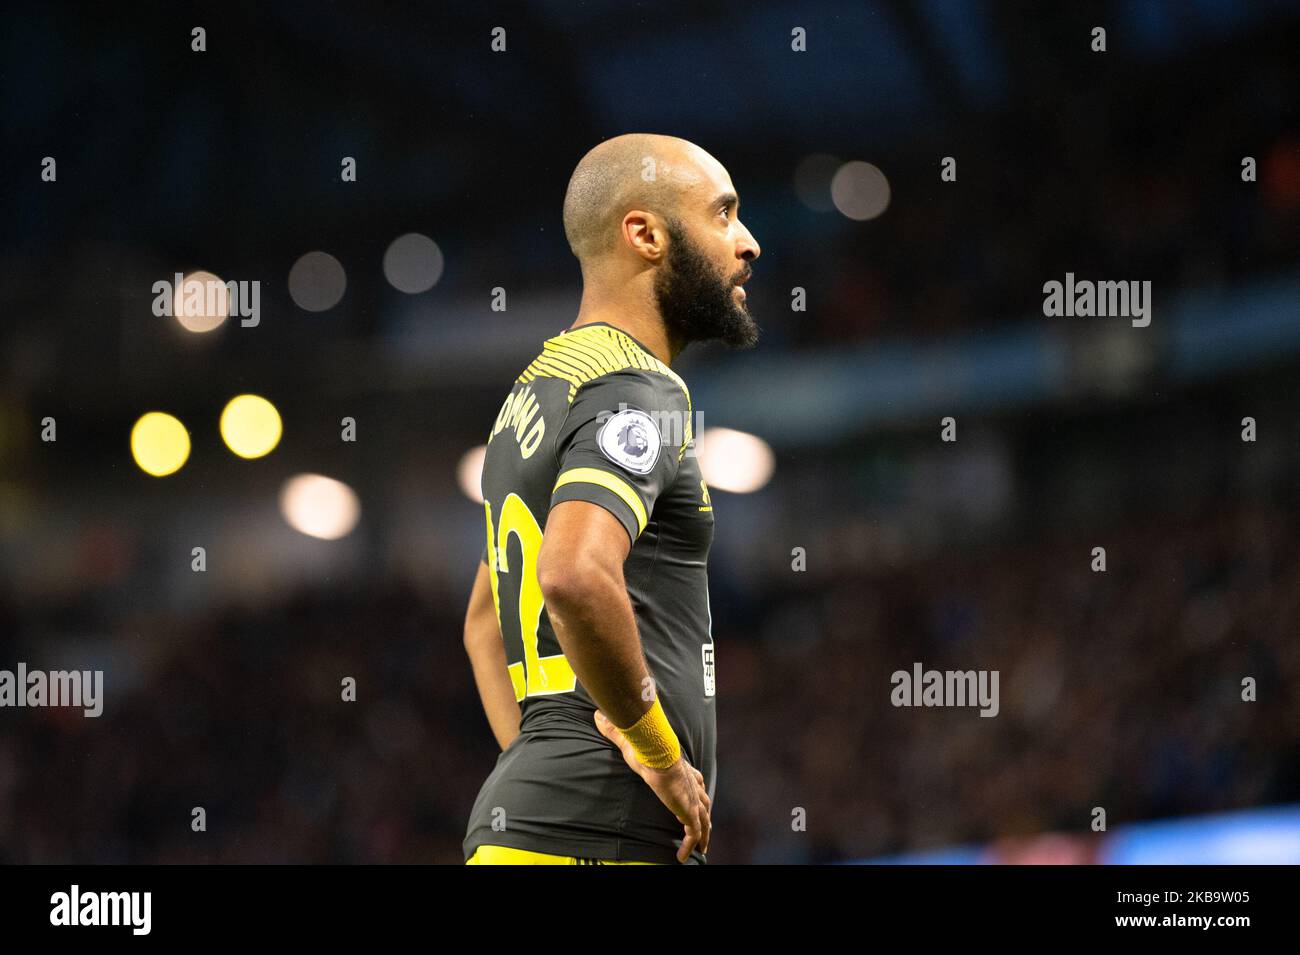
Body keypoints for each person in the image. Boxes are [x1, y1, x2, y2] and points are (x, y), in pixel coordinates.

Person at [462, 133, 760, 864]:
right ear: (646, 234)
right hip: (594, 837)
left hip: (544, 825)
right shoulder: (639, 389)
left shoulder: (539, 389)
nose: (748, 243)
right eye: (723, 214)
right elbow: (572, 572)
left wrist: (541, 766)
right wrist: (654, 752)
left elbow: (484, 625)